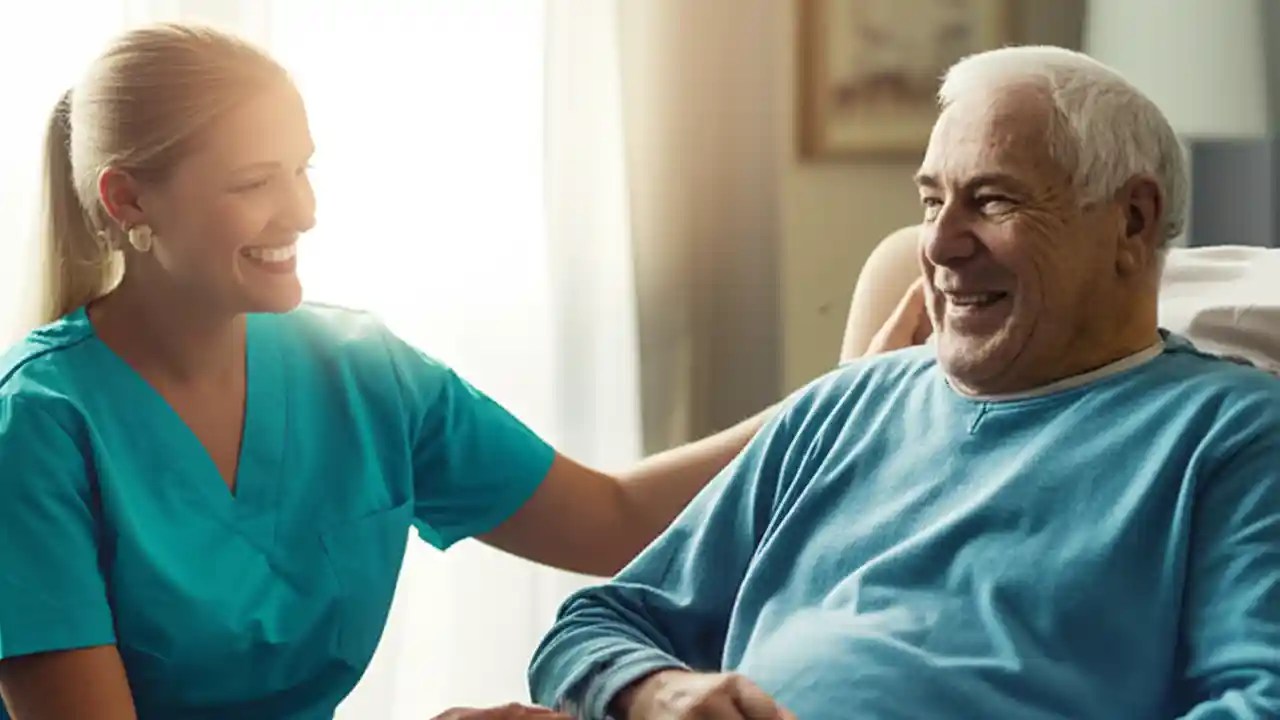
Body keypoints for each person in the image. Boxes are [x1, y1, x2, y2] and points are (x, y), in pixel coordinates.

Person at [0, 22, 919, 720]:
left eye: (304, 170)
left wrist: (850, 400)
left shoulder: (361, 374)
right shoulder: (38, 426)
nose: (303, 211)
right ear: (128, 199)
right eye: (254, 182)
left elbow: (613, 519)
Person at [528, 46, 1280, 719]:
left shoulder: (1237, 436)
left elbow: (1260, 699)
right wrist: (655, 691)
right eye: (931, 201)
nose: (941, 245)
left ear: (1133, 222)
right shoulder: (844, 405)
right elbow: (594, 623)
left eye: (991, 200)